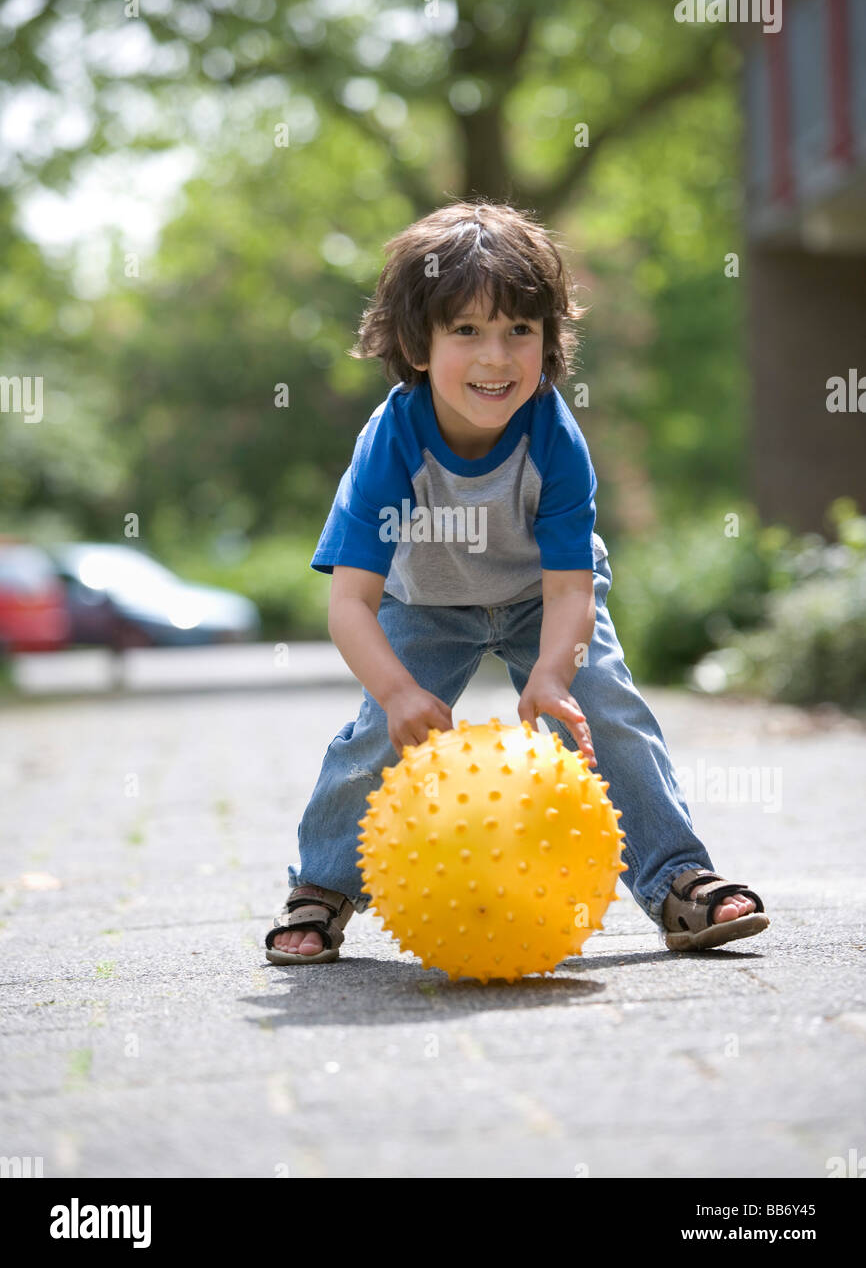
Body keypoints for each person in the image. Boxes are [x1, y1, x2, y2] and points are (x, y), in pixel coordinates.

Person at [265, 200, 770, 967]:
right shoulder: (391, 443)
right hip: (425, 602)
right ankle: (324, 887)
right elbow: (350, 604)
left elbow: (571, 590)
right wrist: (401, 693)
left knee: (607, 713)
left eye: (518, 332)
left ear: (548, 341)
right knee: (377, 733)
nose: (496, 358)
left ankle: (678, 879)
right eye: (466, 331)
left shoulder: (553, 437)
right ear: (417, 344)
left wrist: (552, 672)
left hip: (543, 599)